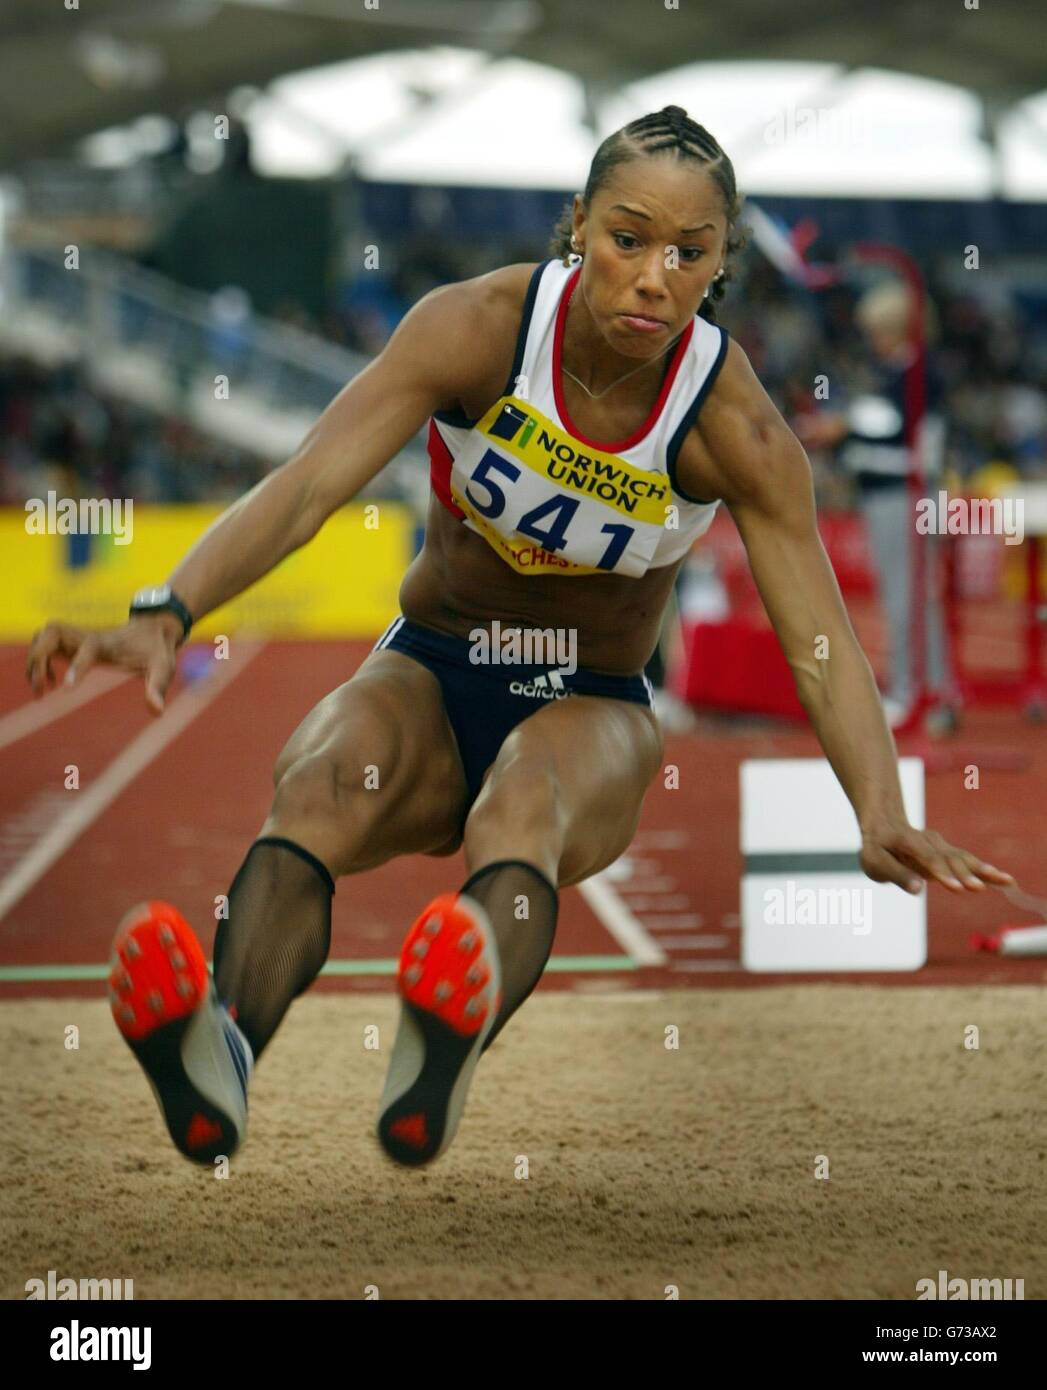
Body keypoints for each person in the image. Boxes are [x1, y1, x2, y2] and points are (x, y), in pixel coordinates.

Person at [25, 105, 1013, 1169]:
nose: (654, 277)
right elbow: (310, 481)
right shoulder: (477, 329)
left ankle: (440, 1045)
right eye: (628, 239)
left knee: (522, 804)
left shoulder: (736, 428)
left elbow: (816, 637)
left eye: (691, 253)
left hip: (590, 700)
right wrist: (164, 612)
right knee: (316, 778)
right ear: (578, 224)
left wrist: (875, 808)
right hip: (433, 662)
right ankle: (219, 1050)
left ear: (721, 263)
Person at [795, 282, 958, 730]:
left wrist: (841, 427)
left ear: (897, 329)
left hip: (906, 495)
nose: (872, 340)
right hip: (896, 492)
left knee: (906, 595)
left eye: (877, 331)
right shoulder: (896, 372)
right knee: (911, 595)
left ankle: (915, 690)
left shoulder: (916, 373)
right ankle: (935, 689)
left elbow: (893, 427)